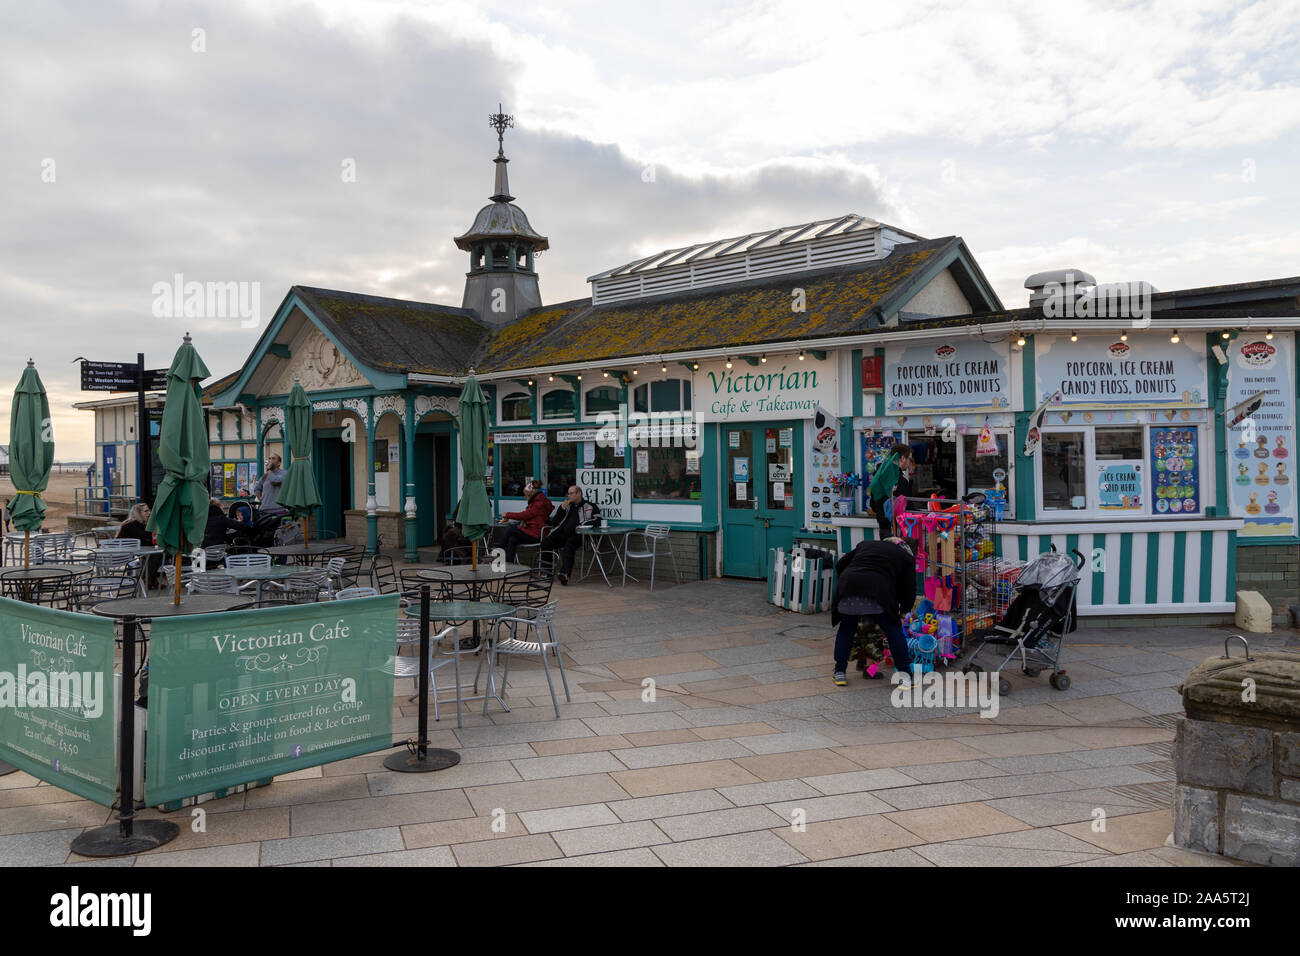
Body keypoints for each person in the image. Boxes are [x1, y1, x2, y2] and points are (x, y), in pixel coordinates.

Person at [830, 536, 916, 687]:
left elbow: (841, 564)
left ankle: (839, 673)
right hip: (878, 591)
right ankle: (906, 676)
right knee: (893, 630)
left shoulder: (866, 544)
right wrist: (903, 613)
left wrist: (846, 581)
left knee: (846, 629)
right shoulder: (906, 557)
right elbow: (909, 589)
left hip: (848, 586)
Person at [541, 485, 601, 584]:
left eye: (572, 493)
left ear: (579, 494)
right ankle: (547, 572)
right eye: (568, 493)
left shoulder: (589, 506)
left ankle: (564, 574)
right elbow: (554, 522)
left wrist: (583, 525)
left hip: (579, 535)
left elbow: (598, 520)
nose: (569, 496)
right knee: (546, 542)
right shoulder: (566, 506)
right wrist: (561, 509)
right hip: (563, 534)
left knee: (569, 544)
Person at [867, 442, 914, 539]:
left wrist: (881, 514)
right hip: (898, 528)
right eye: (909, 459)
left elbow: (873, 502)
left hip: (884, 526)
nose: (910, 463)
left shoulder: (878, 475)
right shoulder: (900, 481)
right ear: (902, 458)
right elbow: (908, 507)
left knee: (886, 552)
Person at [498, 481, 552, 562]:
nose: (525, 497)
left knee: (511, 529)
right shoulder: (536, 501)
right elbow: (527, 516)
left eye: (526, 495)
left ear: (533, 492)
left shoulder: (539, 504)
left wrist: (507, 514)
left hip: (537, 534)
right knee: (512, 539)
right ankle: (509, 564)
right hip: (531, 532)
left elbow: (524, 515)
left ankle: (497, 552)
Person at [117, 502, 163, 588]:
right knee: (155, 555)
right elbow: (144, 539)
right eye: (146, 511)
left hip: (137, 552)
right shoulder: (132, 525)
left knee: (156, 554)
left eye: (149, 510)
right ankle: (148, 579)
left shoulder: (143, 524)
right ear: (138, 513)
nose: (149, 513)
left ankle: (150, 578)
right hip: (127, 554)